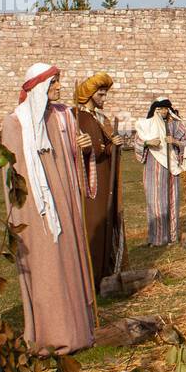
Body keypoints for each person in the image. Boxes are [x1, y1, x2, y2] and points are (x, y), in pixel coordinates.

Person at [1, 63, 96, 354]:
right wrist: (25, 213)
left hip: (64, 202)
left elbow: (70, 159)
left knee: (68, 258)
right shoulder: (15, 123)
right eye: (54, 83)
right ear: (38, 87)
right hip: (36, 210)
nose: (58, 87)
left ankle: (78, 329)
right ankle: (51, 334)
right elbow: (13, 176)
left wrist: (85, 147)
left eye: (58, 82)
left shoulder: (64, 117)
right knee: (46, 265)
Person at [134, 98, 186, 246]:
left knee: (171, 201)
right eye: (159, 109)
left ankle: (172, 237)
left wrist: (175, 142)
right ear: (154, 110)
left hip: (172, 168)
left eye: (165, 109)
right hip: (154, 168)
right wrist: (147, 143)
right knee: (156, 202)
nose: (162, 112)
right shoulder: (146, 125)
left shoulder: (175, 125)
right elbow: (138, 142)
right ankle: (157, 239)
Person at [73, 72, 125, 291]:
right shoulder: (77, 117)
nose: (104, 99)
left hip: (105, 182)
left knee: (104, 223)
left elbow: (104, 149)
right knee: (92, 225)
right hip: (89, 186)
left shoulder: (99, 119)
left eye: (105, 94)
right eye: (101, 94)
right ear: (90, 94)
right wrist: (85, 148)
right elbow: (80, 149)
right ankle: (90, 278)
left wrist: (114, 144)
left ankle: (104, 272)